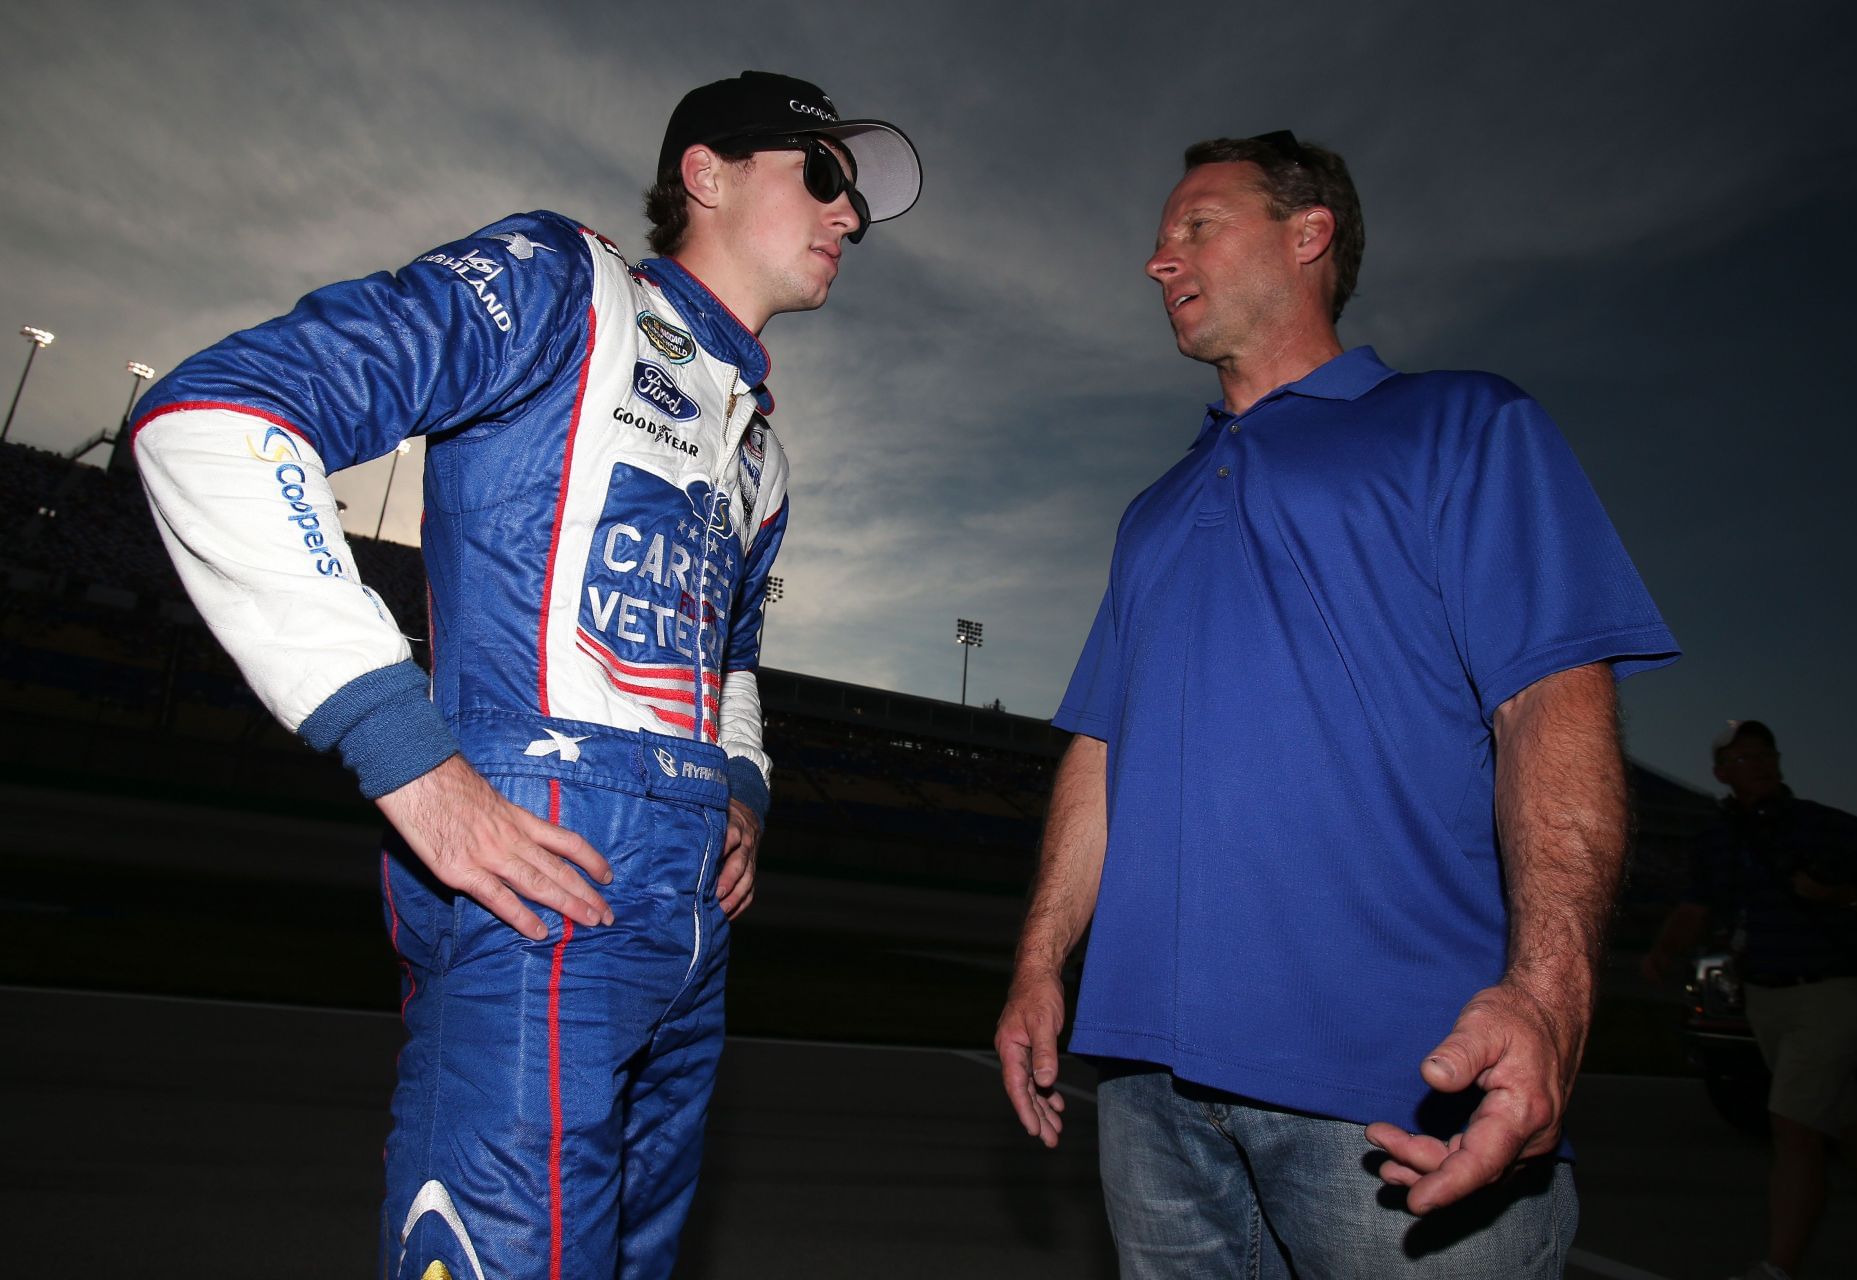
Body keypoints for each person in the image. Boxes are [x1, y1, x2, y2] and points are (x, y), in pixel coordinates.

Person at [131, 70, 919, 1279]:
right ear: (703, 175)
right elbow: (215, 417)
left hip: (691, 901)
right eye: (823, 175)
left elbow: (735, 654)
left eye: (856, 197)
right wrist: (411, 755)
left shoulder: (759, 444)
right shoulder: (566, 282)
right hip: (535, 848)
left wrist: (743, 788)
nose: (851, 214)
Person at [993, 129, 1679, 1277]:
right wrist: (1038, 961)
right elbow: (1100, 749)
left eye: (1195, 227)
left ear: (1308, 235)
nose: (1160, 260)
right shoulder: (1152, 510)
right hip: (1151, 1092)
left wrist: (1551, 995)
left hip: (1397, 1089)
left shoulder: (1463, 425)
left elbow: (1546, 708)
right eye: (1160, 240)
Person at [1643, 720, 1857, 1280]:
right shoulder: (1720, 840)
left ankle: (1778, 1269)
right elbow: (1697, 909)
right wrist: (1662, 954)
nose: (1760, 764)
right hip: (1767, 1003)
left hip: (1832, 999)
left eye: (1765, 753)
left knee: (1791, 1128)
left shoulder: (1831, 829)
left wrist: (1841, 896)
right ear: (1722, 773)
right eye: (1744, 758)